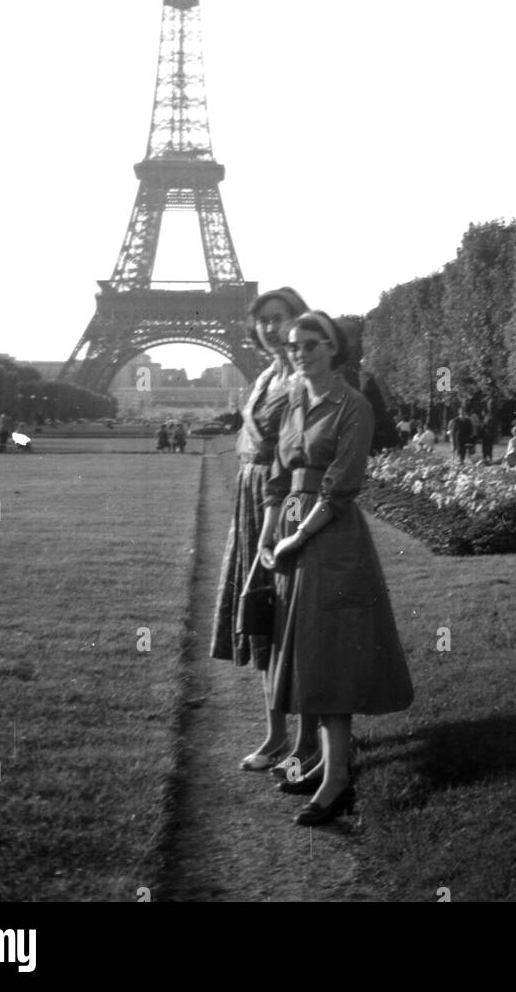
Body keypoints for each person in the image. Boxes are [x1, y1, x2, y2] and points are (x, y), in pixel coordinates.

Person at [259, 311, 414, 827]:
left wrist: (297, 536)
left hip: (329, 536)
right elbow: (279, 477)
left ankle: (337, 779)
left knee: (328, 654)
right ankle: (325, 762)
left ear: (333, 348)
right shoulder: (295, 401)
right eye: (292, 345)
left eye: (308, 344)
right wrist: (269, 535)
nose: (297, 352)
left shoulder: (354, 406)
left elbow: (342, 486)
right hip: (292, 536)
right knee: (306, 652)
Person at [210, 286, 318, 775]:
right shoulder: (267, 375)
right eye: (263, 320)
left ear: (300, 321)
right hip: (251, 497)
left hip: (283, 501)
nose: (270, 328)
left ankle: (306, 742)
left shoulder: (303, 379)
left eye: (281, 318)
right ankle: (277, 735)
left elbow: (302, 449)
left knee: (292, 622)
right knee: (262, 618)